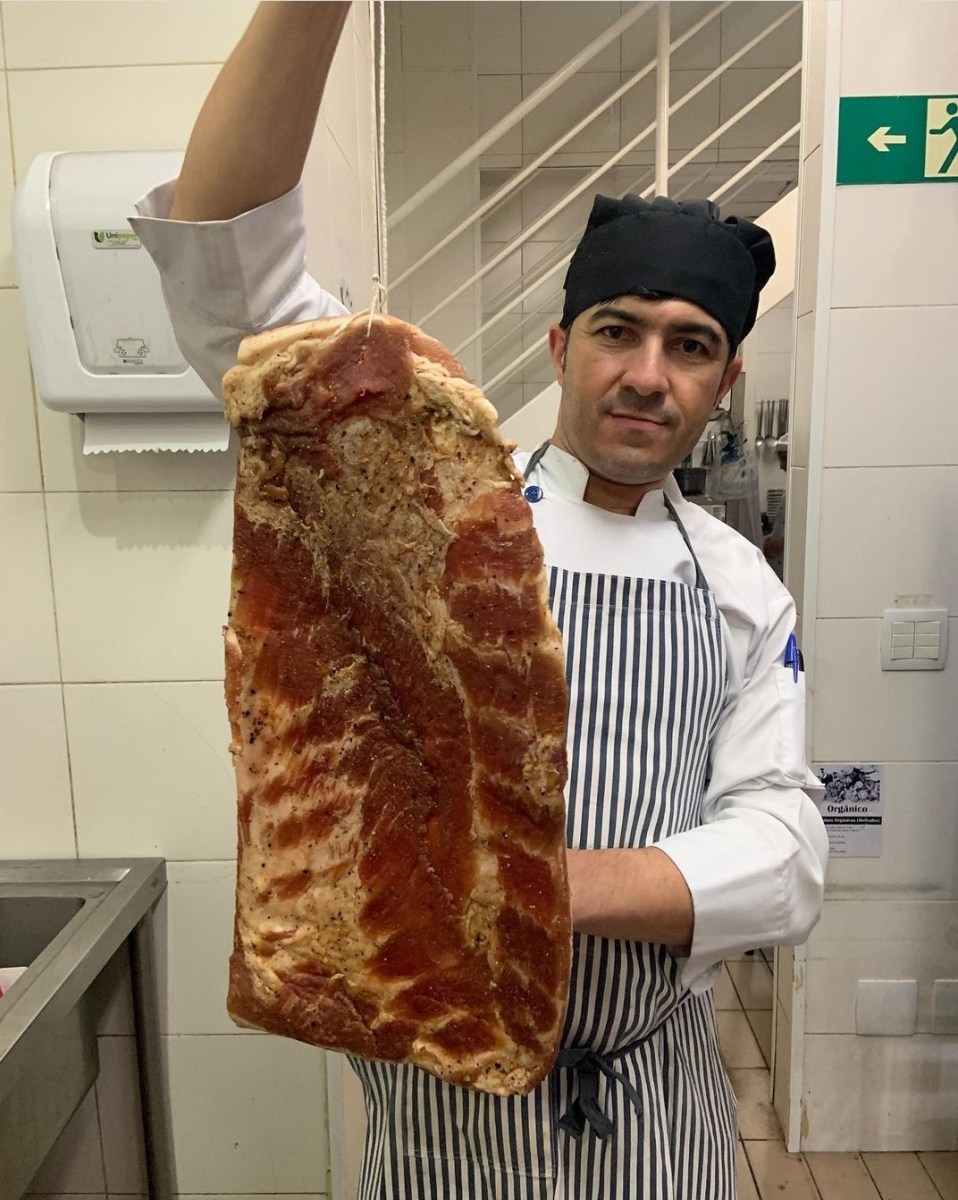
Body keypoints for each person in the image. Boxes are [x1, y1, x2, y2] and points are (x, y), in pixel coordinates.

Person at [129, 4, 828, 1197]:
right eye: (619, 332)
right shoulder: (420, 503)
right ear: (560, 346)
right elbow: (219, 259)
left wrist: (517, 889)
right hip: (440, 1116)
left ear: (726, 378)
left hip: (653, 1110)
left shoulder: (738, 581)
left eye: (690, 344)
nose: (648, 376)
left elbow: (787, 852)